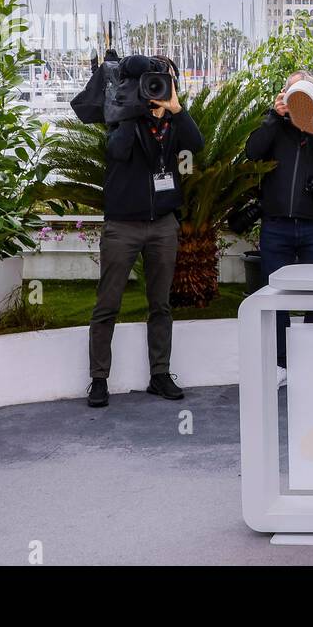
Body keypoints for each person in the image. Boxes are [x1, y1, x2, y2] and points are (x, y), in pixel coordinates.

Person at [87, 70, 205, 408]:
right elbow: (118, 152)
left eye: (164, 84)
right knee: (107, 304)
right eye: (152, 84)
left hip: (163, 224)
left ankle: (160, 374)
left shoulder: (173, 123)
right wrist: (134, 109)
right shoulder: (123, 119)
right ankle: (98, 379)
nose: (157, 89)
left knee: (161, 304)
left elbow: (196, 145)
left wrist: (177, 110)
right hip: (122, 226)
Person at [245, 72, 313, 384]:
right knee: (274, 295)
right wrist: (272, 118)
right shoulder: (275, 126)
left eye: (301, 92)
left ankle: (310, 359)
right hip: (276, 224)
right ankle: (279, 363)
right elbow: (253, 152)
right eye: (290, 91)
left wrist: (312, 127)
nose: (295, 97)